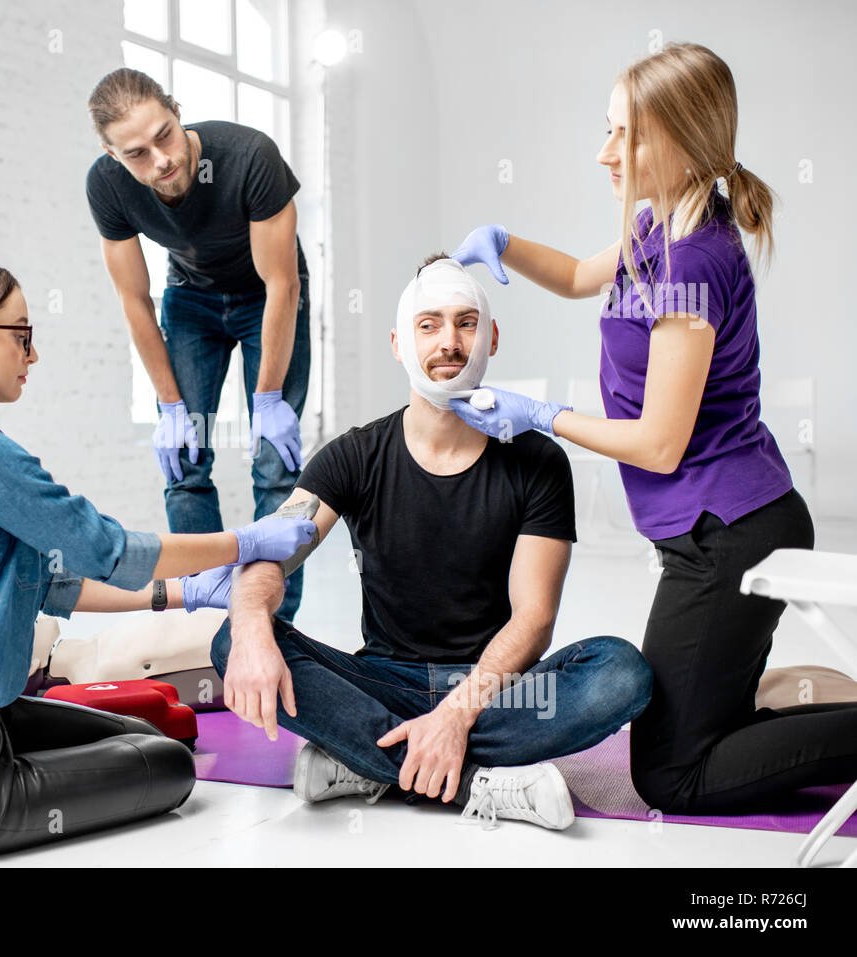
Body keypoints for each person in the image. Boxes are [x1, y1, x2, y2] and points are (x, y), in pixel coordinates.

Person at [447, 42, 857, 813]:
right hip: (723, 521)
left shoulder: (693, 262)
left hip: (728, 533)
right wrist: (503, 243)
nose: (605, 153)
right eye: (606, 130)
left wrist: (543, 416)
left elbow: (660, 442)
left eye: (626, 135)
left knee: (671, 775)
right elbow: (574, 276)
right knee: (706, 725)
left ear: (684, 140)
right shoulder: (657, 227)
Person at [0, 255, 315, 858]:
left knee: (144, 731)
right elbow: (104, 549)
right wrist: (244, 542)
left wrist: (186, 592)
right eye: (21, 336)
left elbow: (54, 582)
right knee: (167, 764)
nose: (32, 356)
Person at [210, 254, 653, 830]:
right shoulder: (353, 455)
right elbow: (271, 555)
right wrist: (249, 630)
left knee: (621, 673)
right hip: (380, 680)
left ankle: (369, 761)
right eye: (429, 325)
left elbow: (535, 619)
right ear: (399, 343)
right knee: (232, 640)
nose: (449, 341)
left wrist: (456, 714)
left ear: (491, 336)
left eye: (467, 323)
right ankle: (481, 783)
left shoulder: (538, 461)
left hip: (495, 688)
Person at [85, 67, 311, 622]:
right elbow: (135, 300)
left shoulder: (250, 156)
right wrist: (168, 405)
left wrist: (268, 400)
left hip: (267, 297)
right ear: (113, 156)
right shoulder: (107, 185)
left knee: (274, 466)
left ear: (177, 111)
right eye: (136, 153)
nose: (159, 159)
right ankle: (210, 614)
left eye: (164, 135)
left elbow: (282, 284)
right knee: (184, 462)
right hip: (191, 301)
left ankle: (272, 623)